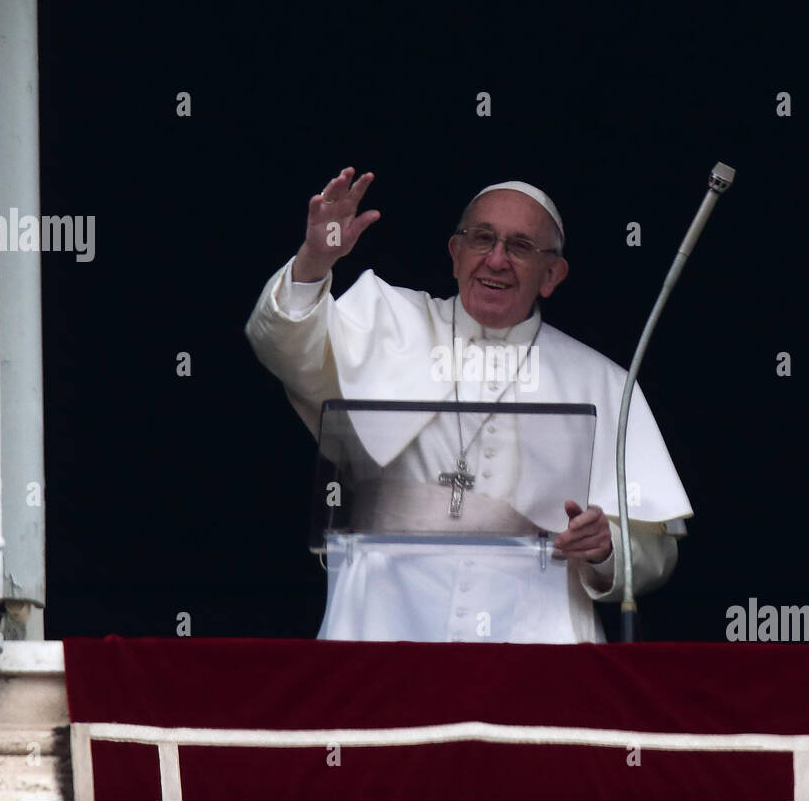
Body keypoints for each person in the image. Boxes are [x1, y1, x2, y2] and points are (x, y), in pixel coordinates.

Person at [246, 167, 692, 643]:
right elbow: (285, 348)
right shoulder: (387, 320)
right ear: (456, 254)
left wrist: (607, 550)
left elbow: (653, 552)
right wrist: (315, 260)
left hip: (535, 636)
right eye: (482, 239)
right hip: (381, 618)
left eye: (520, 247)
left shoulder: (601, 381)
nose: (496, 260)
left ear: (552, 275)